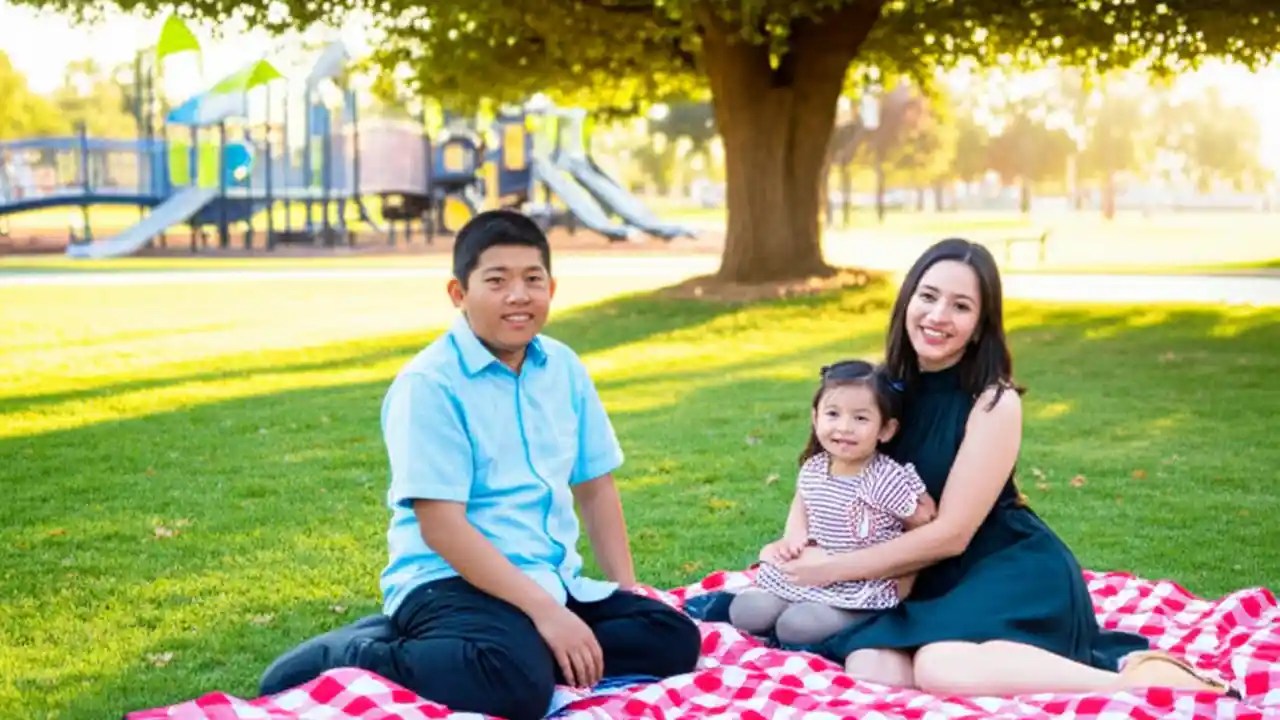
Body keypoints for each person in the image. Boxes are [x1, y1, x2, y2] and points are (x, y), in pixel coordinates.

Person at [258, 210, 701, 720]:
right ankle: (359, 652)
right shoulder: (429, 384)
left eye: (532, 280)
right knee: (515, 688)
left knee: (670, 637)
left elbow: (595, 486)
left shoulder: (563, 367)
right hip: (446, 582)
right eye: (497, 280)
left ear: (551, 288)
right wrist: (546, 614)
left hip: (548, 578)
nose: (518, 295)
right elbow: (442, 527)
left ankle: (505, 650)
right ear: (458, 293)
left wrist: (627, 590)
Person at [772, 238, 1238, 698]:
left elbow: (953, 533)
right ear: (908, 300)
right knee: (874, 667)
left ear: (979, 326)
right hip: (919, 574)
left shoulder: (994, 401)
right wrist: (800, 546)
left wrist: (832, 569)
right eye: (928, 296)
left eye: (960, 306)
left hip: (1000, 562)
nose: (937, 317)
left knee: (940, 668)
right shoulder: (878, 392)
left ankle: (1137, 683)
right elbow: (825, 472)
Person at [728, 360, 937, 646]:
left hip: (862, 583)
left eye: (860, 419)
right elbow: (803, 501)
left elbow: (924, 522)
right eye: (833, 414)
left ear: (885, 430)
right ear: (816, 419)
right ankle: (792, 607)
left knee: (796, 627)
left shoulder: (884, 478)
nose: (844, 427)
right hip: (816, 568)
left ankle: (849, 619)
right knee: (746, 611)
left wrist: (904, 582)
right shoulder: (815, 468)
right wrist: (794, 537)